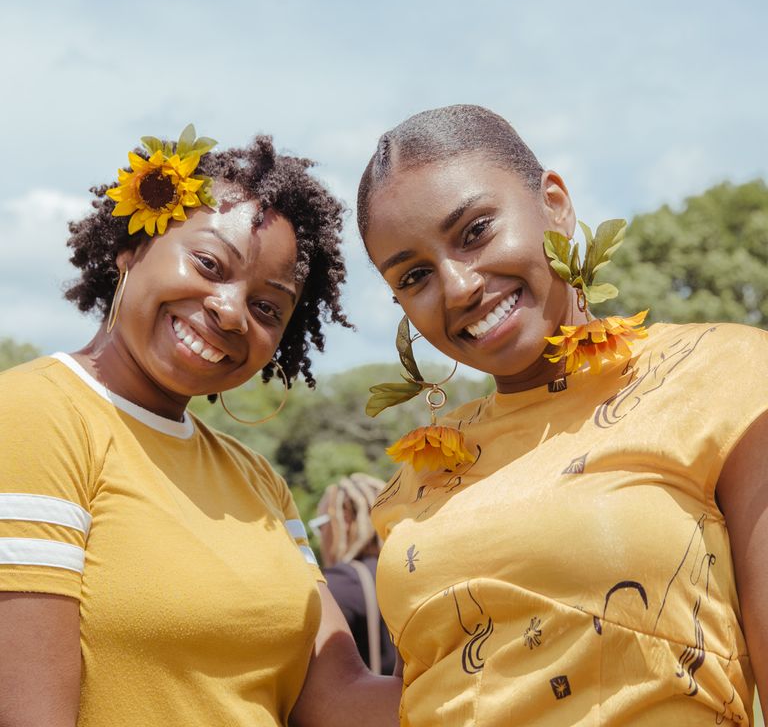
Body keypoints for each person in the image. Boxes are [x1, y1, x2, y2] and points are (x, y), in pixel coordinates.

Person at [355, 105, 768, 726]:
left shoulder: (725, 374)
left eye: (475, 231)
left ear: (554, 203)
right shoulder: (417, 478)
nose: (459, 285)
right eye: (415, 275)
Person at [0, 127, 399, 727]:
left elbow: (338, 700)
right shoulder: (36, 414)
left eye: (268, 308)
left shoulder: (258, 482)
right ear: (132, 247)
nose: (230, 310)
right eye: (209, 264)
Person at [311, 473, 397, 674]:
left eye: (321, 524)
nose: (321, 535)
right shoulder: (413, 571)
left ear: (346, 519)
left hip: (370, 704)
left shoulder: (338, 585)